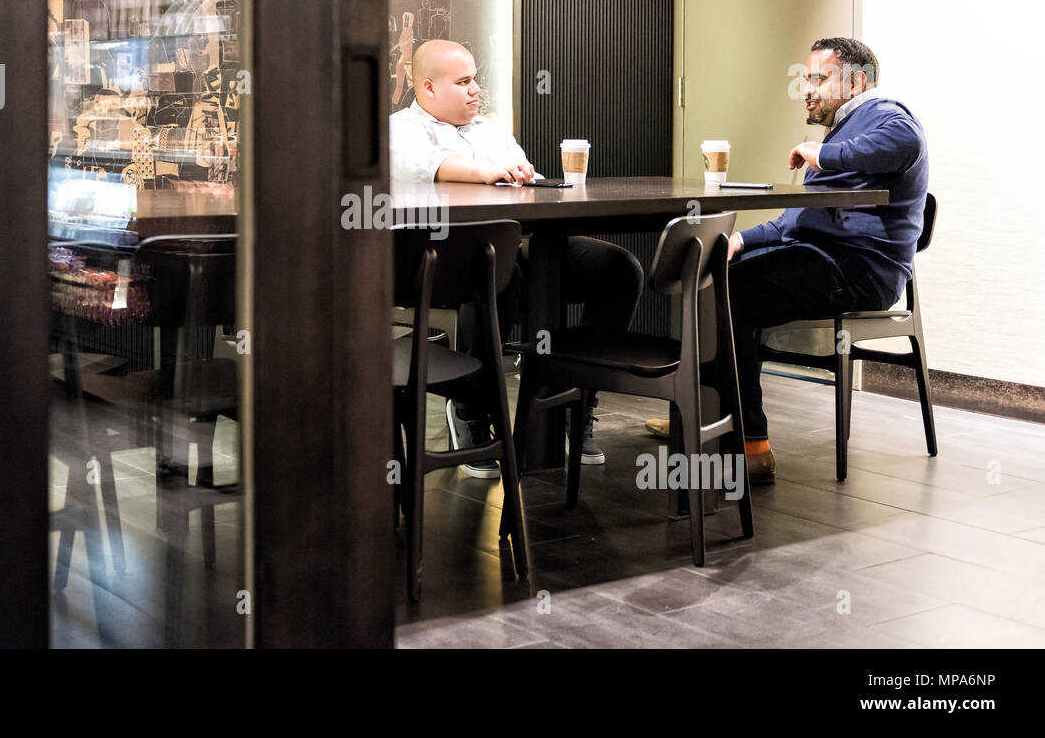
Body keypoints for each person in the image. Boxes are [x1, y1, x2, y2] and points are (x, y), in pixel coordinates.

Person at [645, 37, 928, 484]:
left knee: (733, 289)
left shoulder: (885, 113)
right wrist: (740, 239)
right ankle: (705, 414)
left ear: (856, 82)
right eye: (807, 78)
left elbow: (904, 143)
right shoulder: (841, 132)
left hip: (860, 269)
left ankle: (749, 444)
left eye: (819, 78)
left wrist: (819, 152)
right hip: (822, 256)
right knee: (719, 271)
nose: (807, 89)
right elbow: (792, 223)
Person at [390, 39, 644, 476]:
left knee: (618, 269)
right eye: (464, 82)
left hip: (518, 245)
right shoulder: (399, 129)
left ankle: (571, 398)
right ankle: (469, 409)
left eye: (476, 80)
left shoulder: (490, 129)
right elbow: (427, 166)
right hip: (437, 259)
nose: (475, 90)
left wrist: (525, 175)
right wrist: (485, 173)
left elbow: (527, 178)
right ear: (428, 89)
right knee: (492, 273)